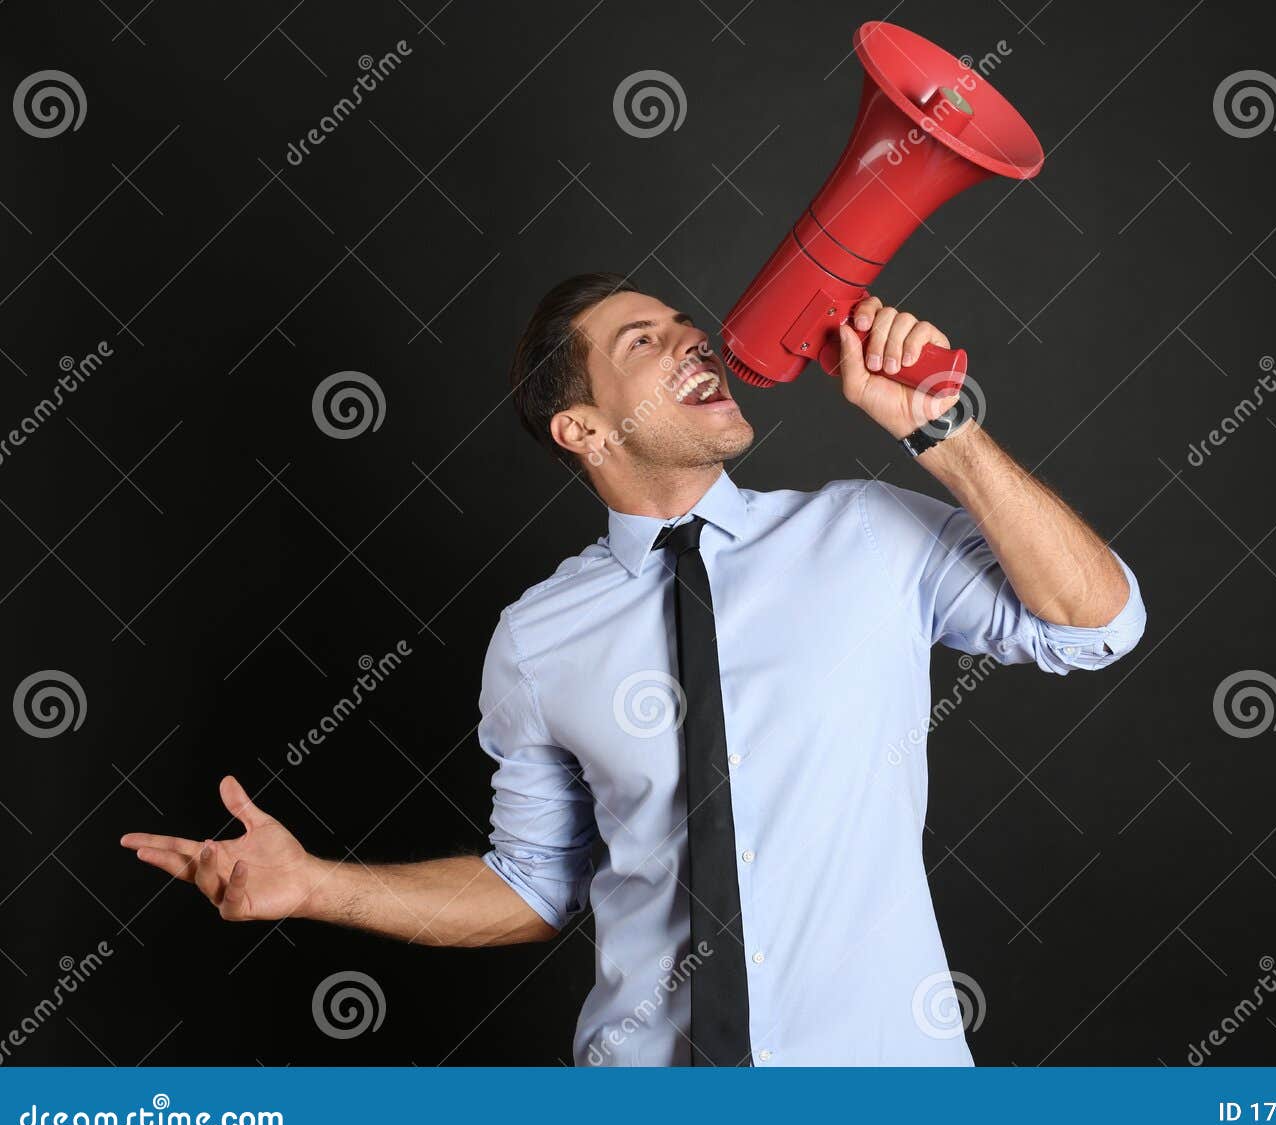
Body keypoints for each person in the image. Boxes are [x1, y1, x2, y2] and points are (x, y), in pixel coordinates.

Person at [120, 273, 1146, 1066]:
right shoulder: (536, 637)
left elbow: (1093, 622)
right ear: (584, 428)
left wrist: (942, 431)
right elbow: (532, 883)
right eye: (641, 342)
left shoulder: (864, 531)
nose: (693, 342)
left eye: (685, 327)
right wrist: (315, 886)